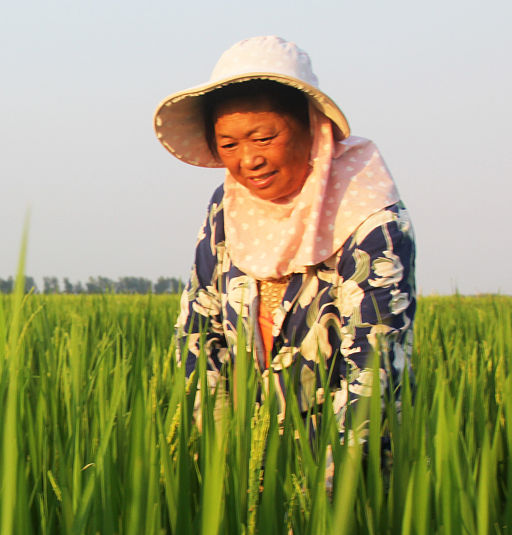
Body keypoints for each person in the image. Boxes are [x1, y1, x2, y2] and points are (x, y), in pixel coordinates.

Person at [157, 36, 415, 440]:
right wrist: (220, 457)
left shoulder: (367, 214)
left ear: (314, 128)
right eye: (229, 144)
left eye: (264, 138)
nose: (248, 159)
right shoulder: (226, 208)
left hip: (341, 458)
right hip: (242, 452)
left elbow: (375, 369)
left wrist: (328, 484)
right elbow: (198, 332)